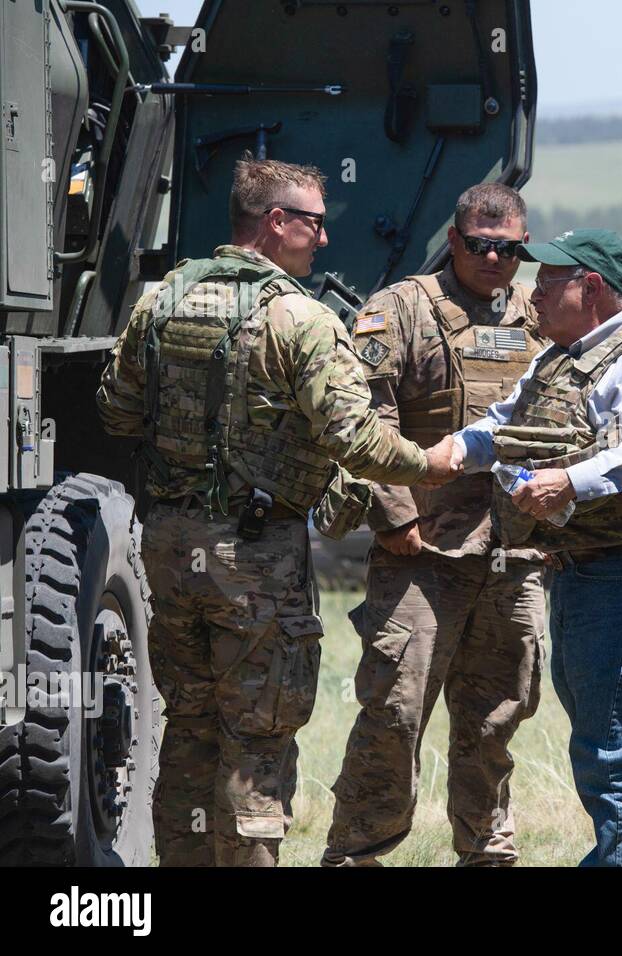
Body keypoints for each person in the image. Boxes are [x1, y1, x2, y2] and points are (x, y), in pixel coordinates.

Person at [96, 156, 453, 867]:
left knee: (190, 727)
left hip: (168, 547)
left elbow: (115, 410)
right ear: (276, 221)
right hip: (255, 560)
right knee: (258, 738)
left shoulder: (161, 300)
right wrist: (431, 463)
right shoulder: (303, 318)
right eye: (314, 223)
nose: (323, 240)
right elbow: (355, 439)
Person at [428, 228, 622, 866]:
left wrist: (569, 481)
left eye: (551, 280)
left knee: (606, 746)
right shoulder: (561, 358)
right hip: (587, 577)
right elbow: (505, 428)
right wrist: (446, 455)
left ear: (594, 288)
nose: (535, 291)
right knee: (614, 740)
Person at [323, 183, 548, 867]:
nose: (495, 260)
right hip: (421, 552)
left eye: (510, 250)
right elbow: (367, 417)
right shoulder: (399, 310)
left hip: (512, 553)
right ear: (454, 241)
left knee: (496, 719)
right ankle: (356, 852)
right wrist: (392, 517)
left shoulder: (538, 319)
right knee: (393, 713)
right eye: (481, 246)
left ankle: (488, 852)